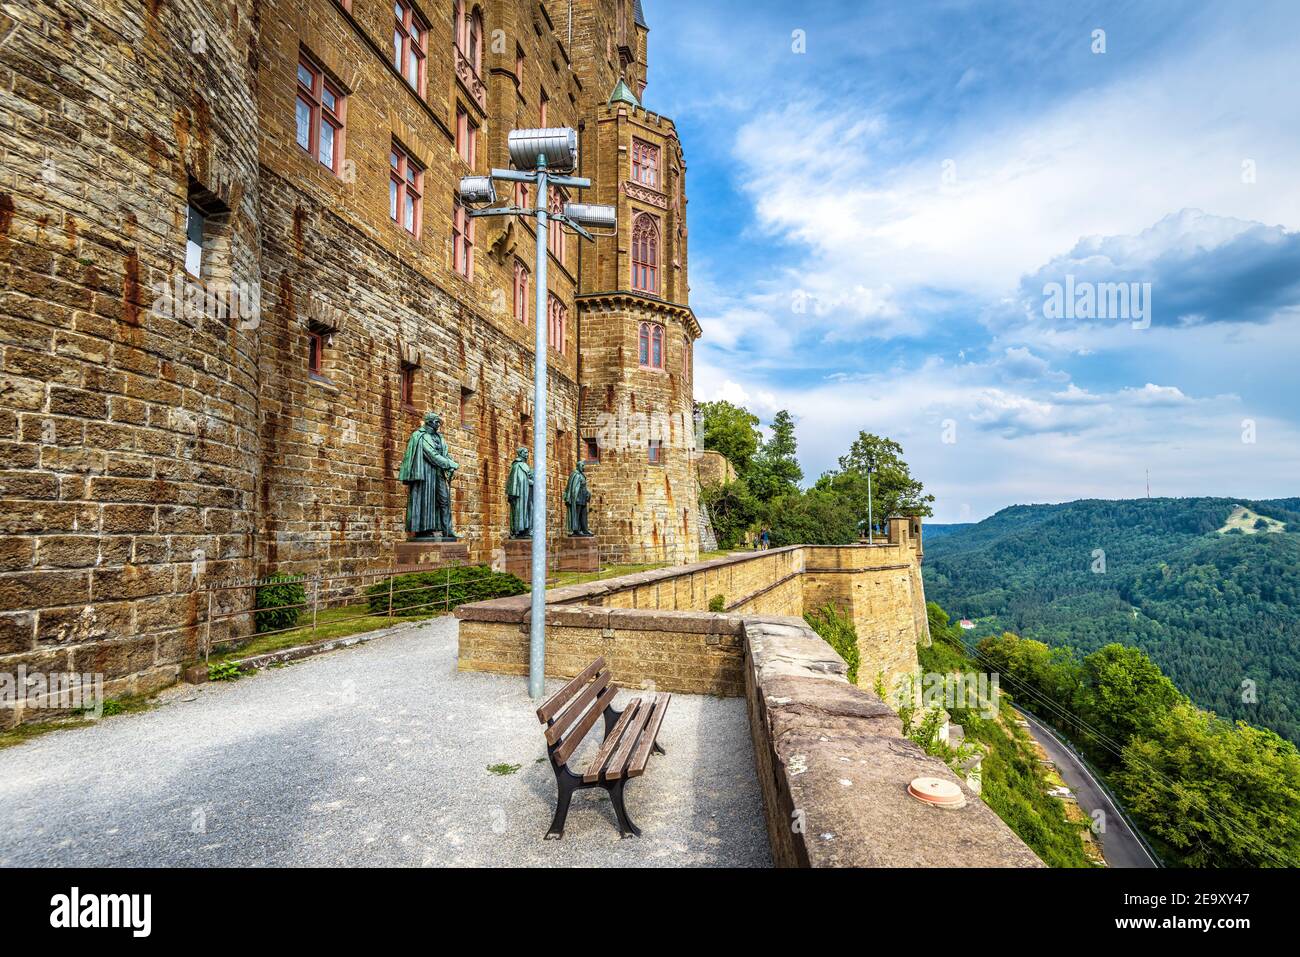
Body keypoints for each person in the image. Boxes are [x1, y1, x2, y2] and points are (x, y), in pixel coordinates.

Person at [398, 412, 459, 539]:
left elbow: (444, 454)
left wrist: (450, 466)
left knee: (444, 501)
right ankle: (423, 530)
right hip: (425, 474)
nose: (438, 424)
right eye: (436, 421)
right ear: (429, 422)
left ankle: (447, 530)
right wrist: (449, 464)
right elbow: (432, 455)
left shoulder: (440, 438)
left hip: (438, 474)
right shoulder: (420, 436)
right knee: (426, 501)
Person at [506, 448, 534, 538]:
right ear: (520, 453)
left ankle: (525, 530)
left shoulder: (524, 465)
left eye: (527, 452)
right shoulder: (517, 466)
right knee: (519, 511)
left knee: (527, 510)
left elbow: (524, 478)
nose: (527, 454)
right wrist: (528, 482)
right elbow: (516, 480)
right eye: (525, 452)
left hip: (526, 493)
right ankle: (519, 531)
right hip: (519, 494)